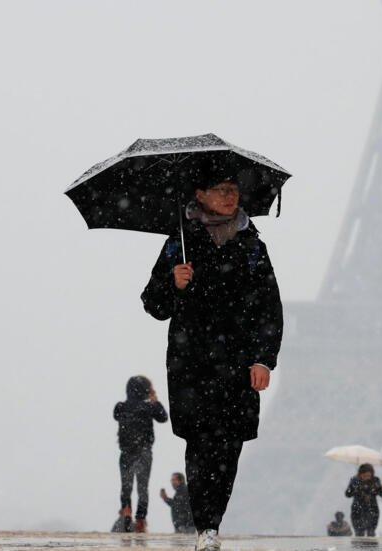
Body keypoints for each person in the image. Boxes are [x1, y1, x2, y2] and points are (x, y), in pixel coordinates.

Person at [141, 166, 283, 551]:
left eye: (234, 190)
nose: (230, 196)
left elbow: (269, 307)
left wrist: (263, 359)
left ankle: (212, 521)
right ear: (200, 194)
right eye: (221, 189)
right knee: (201, 444)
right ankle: (206, 525)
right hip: (192, 361)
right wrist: (173, 283)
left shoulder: (252, 244)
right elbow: (153, 304)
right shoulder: (179, 243)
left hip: (237, 361)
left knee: (229, 445)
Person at [114, 375, 168, 533]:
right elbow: (163, 418)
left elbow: (116, 415)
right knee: (142, 488)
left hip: (125, 452)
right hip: (144, 451)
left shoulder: (120, 407)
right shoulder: (149, 407)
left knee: (126, 485)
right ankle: (140, 520)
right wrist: (155, 401)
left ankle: (126, 511)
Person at [344, 463, 382, 536]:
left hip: (372, 510)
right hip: (358, 510)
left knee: (371, 532)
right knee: (359, 533)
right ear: (360, 474)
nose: (367, 478)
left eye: (369, 476)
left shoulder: (375, 481)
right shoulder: (355, 481)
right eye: (365, 476)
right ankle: (359, 546)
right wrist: (353, 487)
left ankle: (371, 547)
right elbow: (348, 494)